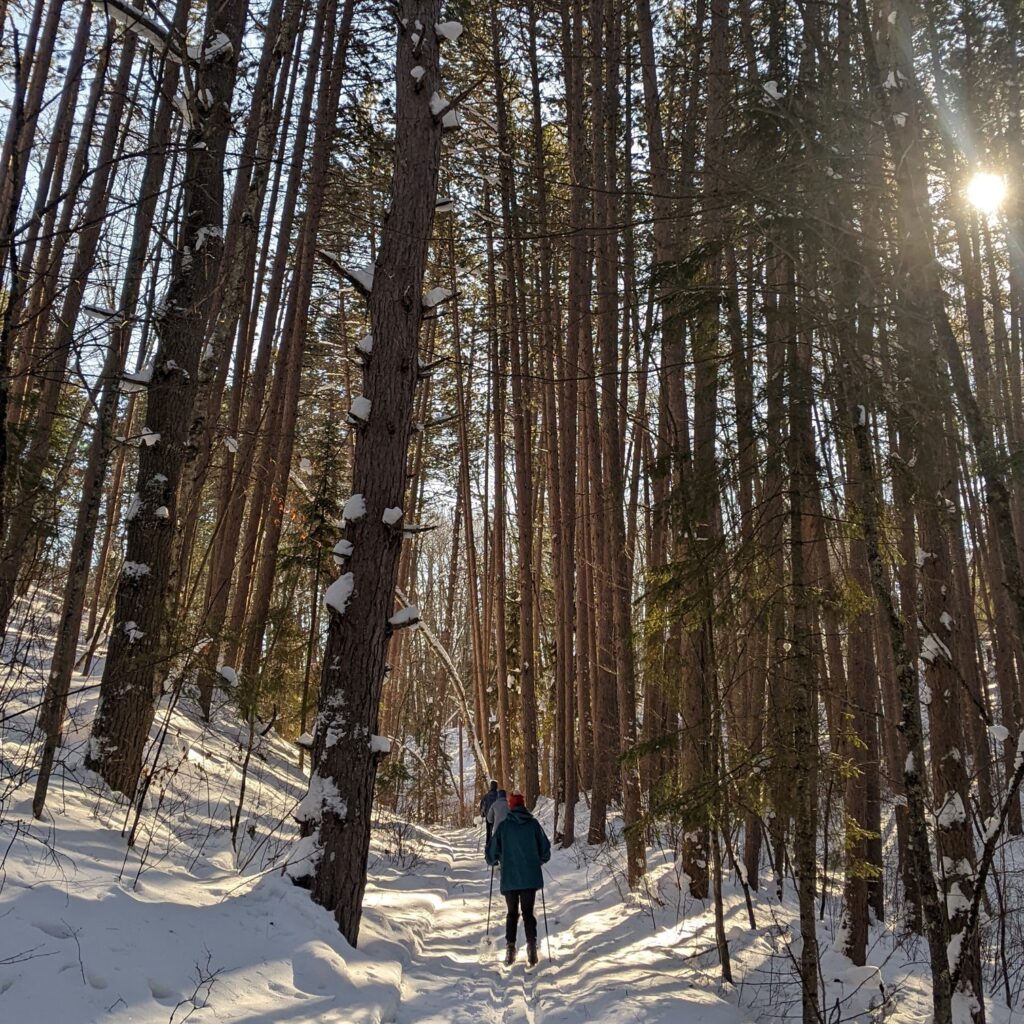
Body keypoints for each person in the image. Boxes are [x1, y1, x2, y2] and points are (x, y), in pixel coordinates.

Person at [486, 792, 551, 967]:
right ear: (523, 806)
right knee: (528, 912)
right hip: (530, 877)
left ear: (510, 807)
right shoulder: (533, 825)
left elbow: (492, 853)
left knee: (512, 913)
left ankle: (510, 949)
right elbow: (545, 850)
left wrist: (493, 860)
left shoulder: (504, 827)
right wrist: (538, 861)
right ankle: (531, 947)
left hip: (510, 878)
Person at [479, 780, 499, 850]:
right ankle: (496, 846)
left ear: (490, 787)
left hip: (488, 816)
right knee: (496, 831)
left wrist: (482, 814)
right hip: (497, 816)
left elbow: (483, 806)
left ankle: (488, 846)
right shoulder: (498, 795)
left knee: (489, 831)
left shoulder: (486, 796)